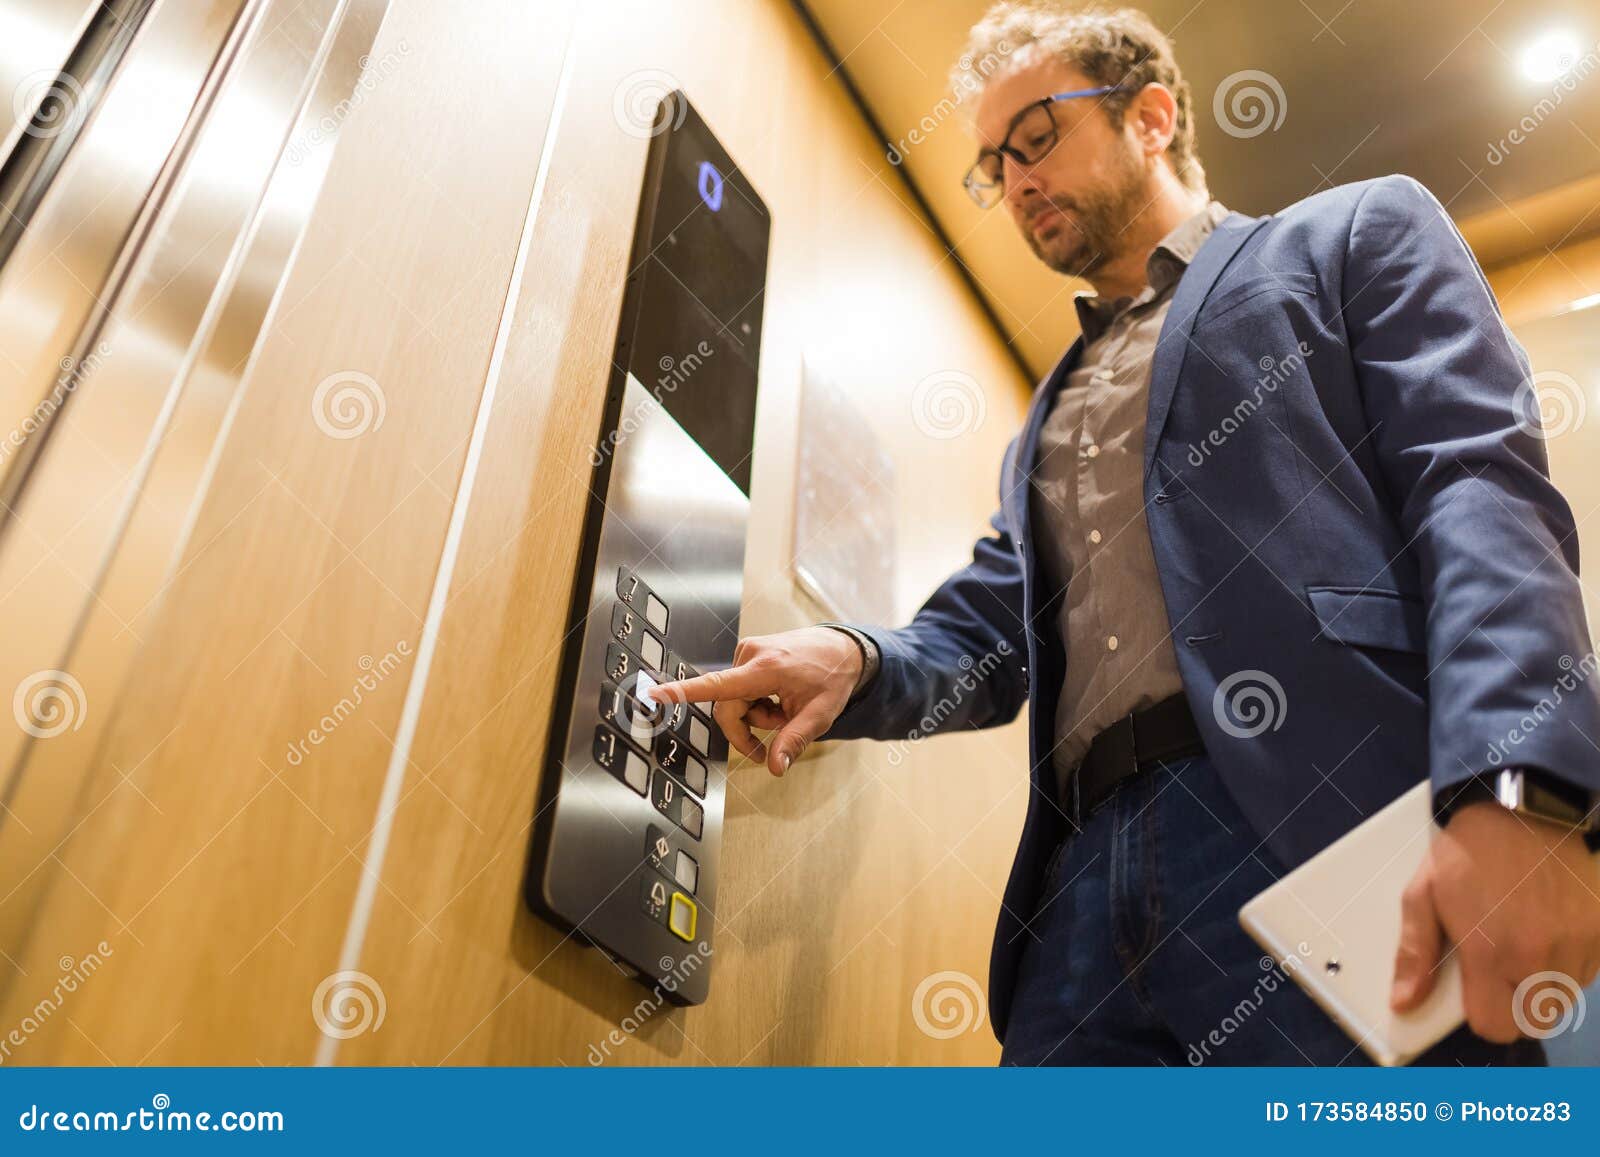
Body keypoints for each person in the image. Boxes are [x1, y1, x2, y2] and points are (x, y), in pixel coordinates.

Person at [656, 2, 1600, 1064]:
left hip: (1316, 823)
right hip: (1076, 896)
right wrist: (859, 657)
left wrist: (1519, 781)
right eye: (990, 163)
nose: (1012, 179)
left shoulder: (1353, 232)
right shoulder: (1044, 416)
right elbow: (987, 629)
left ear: (1150, 116)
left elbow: (1475, 484)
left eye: (1036, 136)